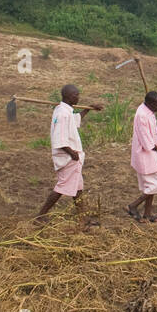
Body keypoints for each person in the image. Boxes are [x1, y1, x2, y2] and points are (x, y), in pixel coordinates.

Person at [35, 84, 103, 226]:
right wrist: (73, 154)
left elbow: (75, 119)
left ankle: (83, 218)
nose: (78, 97)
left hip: (71, 156)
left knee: (78, 189)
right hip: (68, 157)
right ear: (67, 96)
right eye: (75, 95)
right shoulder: (62, 114)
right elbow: (59, 139)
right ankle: (40, 216)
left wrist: (87, 109)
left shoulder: (64, 111)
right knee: (61, 188)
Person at [127, 91, 157, 223]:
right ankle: (133, 205)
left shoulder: (149, 111)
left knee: (151, 184)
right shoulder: (142, 115)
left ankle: (147, 213)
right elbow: (147, 142)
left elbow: (155, 132)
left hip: (152, 153)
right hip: (145, 154)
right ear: (150, 103)